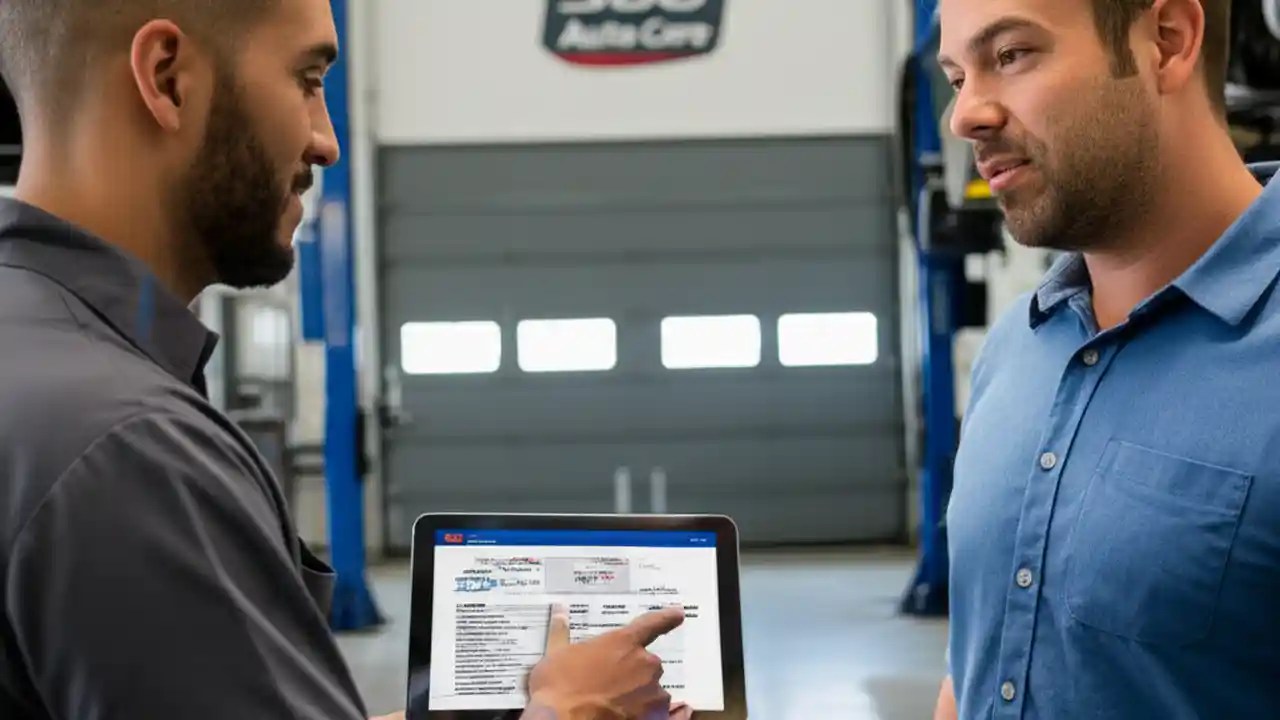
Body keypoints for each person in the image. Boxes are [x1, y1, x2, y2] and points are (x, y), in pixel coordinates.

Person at [0, 1, 693, 718]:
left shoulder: (37, 362)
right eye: (306, 79)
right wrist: (574, 709)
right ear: (168, 79)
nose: (326, 141)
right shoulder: (132, 450)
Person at [934, 0, 1280, 717]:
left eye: (1011, 56)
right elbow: (972, 669)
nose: (965, 115)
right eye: (956, 75)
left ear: (1166, 39)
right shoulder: (1016, 352)